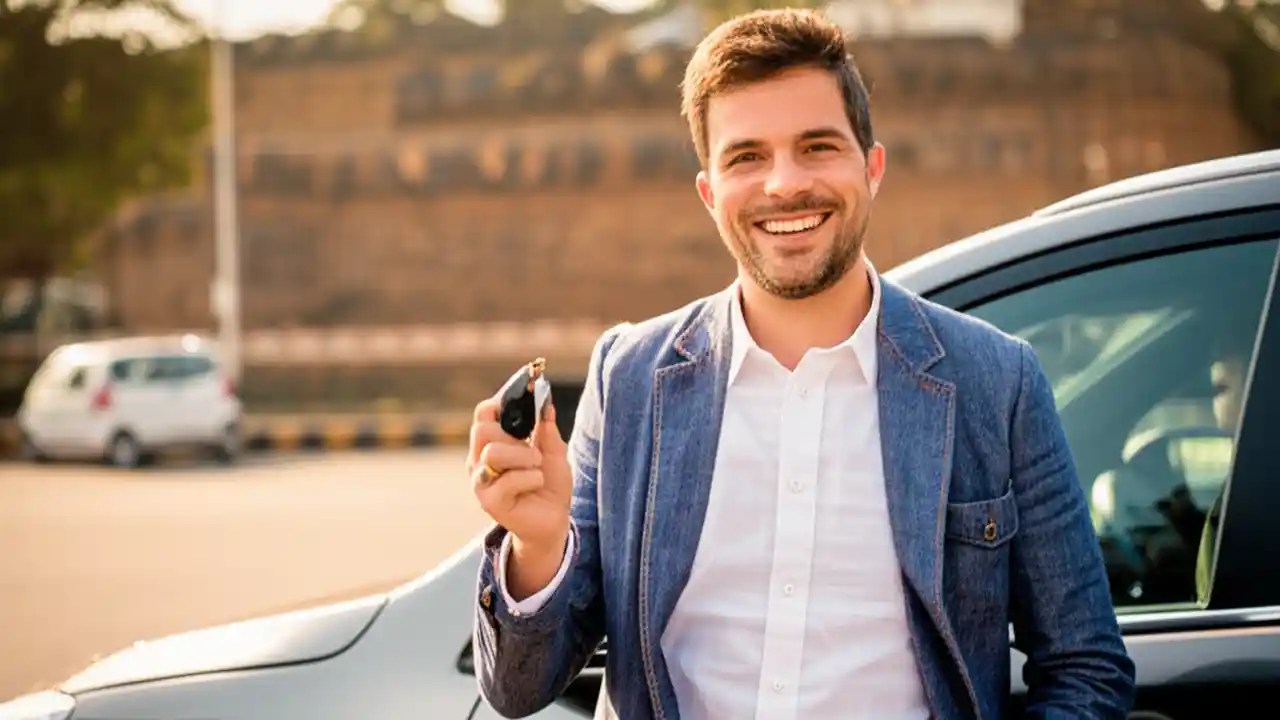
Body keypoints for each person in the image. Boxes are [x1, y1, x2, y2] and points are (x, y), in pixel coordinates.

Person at [466, 8, 1136, 720]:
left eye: (817, 146)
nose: (784, 184)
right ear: (709, 193)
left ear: (871, 168)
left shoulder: (994, 383)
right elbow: (518, 689)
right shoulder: (629, 380)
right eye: (746, 156)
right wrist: (537, 547)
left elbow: (1086, 670)